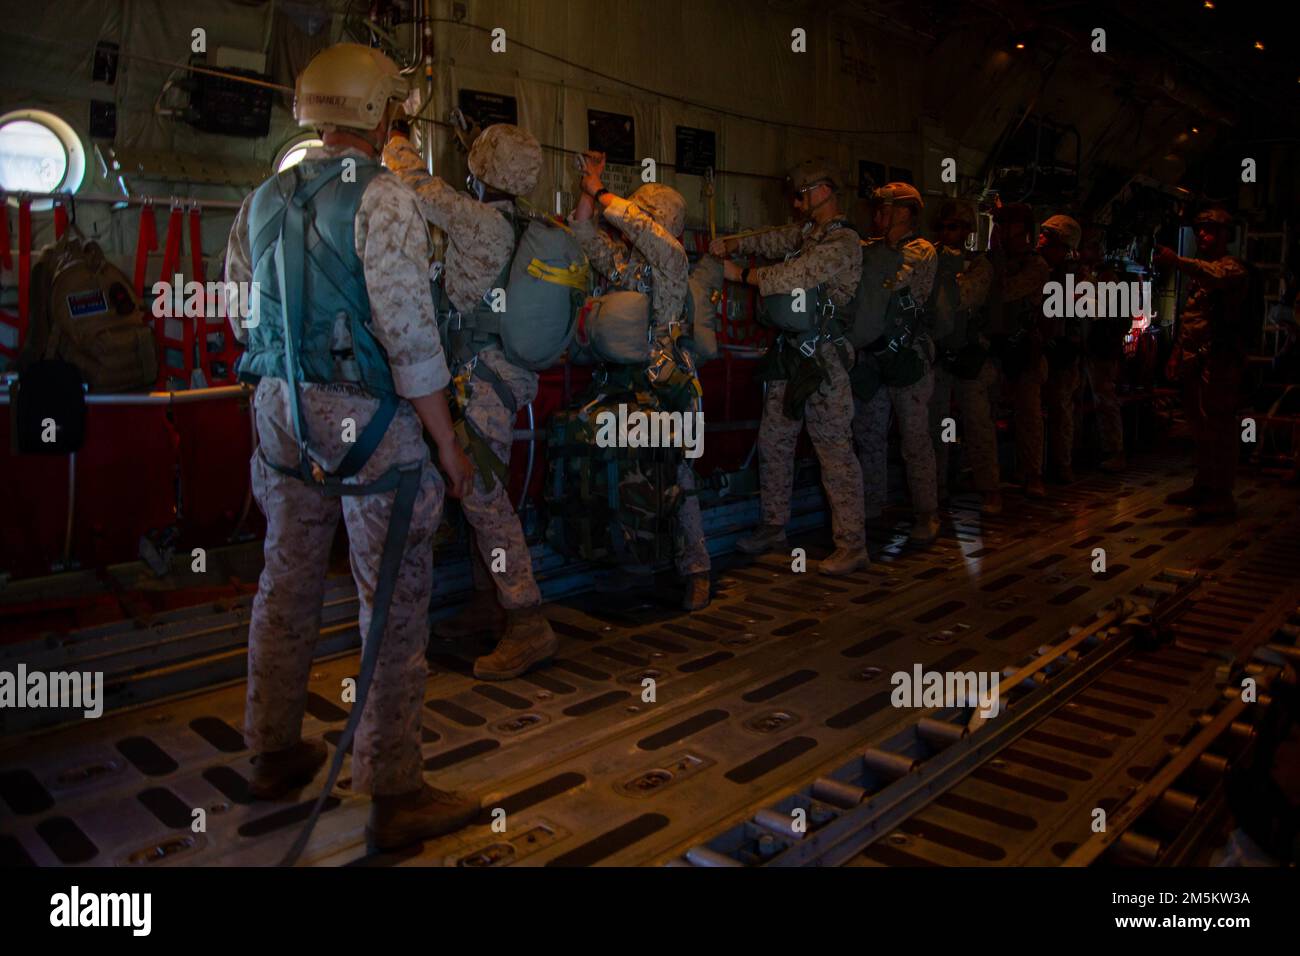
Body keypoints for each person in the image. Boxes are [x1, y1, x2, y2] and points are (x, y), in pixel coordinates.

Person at [225, 43, 477, 850]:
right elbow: (409, 336)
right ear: (378, 114)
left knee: (286, 579)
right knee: (393, 605)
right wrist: (448, 444)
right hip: (366, 417)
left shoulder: (260, 199)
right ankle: (395, 789)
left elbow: (241, 318)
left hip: (278, 413)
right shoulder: (385, 200)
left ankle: (270, 751)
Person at [383, 123, 561, 678]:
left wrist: (393, 138)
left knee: (483, 497)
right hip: (494, 373)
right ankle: (489, 604)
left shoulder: (480, 220)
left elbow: (416, 186)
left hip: (485, 375)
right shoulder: (519, 222)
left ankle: (528, 618)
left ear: (482, 169)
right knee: (480, 495)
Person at [568, 152, 713, 610]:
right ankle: (634, 567)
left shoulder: (671, 258)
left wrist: (599, 188)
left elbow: (640, 228)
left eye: (641, 218)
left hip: (666, 384)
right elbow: (585, 235)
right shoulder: (628, 265)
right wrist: (587, 190)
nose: (630, 226)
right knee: (630, 476)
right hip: (627, 383)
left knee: (677, 477)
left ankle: (696, 570)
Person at [712, 160, 868, 575]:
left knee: (833, 449)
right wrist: (734, 242)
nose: (797, 205)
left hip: (825, 360)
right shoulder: (806, 235)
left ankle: (852, 543)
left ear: (822, 192)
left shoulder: (844, 243)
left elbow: (798, 274)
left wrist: (741, 274)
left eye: (801, 196)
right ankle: (774, 526)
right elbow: (773, 239)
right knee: (775, 441)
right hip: (791, 353)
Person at [853, 182, 941, 543]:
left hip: (908, 358)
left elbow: (892, 285)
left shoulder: (921, 252)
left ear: (905, 213)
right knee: (869, 434)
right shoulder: (871, 250)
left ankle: (927, 513)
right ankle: (873, 504)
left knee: (914, 439)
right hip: (874, 356)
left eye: (885, 210)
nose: (877, 217)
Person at [1155, 208, 1249, 519]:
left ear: (1226, 236)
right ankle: (1204, 485)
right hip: (1196, 360)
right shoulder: (1202, 274)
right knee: (1200, 427)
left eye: (1210, 230)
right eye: (1200, 230)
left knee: (1219, 429)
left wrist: (1177, 262)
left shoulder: (1231, 269)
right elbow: (1192, 318)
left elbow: (1213, 276)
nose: (1202, 236)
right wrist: (1176, 353)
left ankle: (1221, 495)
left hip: (1220, 361)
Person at [929, 200, 1002, 514]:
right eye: (944, 227)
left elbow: (965, 297)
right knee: (937, 425)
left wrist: (943, 282)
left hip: (969, 355)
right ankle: (937, 488)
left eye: (954, 227)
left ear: (968, 230)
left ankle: (990, 490)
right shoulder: (930, 259)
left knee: (978, 425)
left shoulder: (979, 264)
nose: (948, 233)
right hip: (939, 353)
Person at [987, 203, 1051, 497]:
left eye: (1005, 223)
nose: (1000, 228)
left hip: (1025, 347)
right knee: (986, 413)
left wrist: (997, 260)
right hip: (997, 345)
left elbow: (1005, 292)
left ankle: (1033, 473)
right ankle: (990, 473)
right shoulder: (996, 258)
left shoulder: (1035, 265)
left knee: (1028, 415)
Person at [1037, 214, 1084, 483]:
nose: (1042, 243)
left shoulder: (1074, 278)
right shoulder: (1036, 268)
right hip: (1038, 349)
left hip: (1062, 351)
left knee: (1062, 410)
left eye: (1050, 239)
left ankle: (1062, 463)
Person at [1080, 227, 1127, 473]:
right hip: (1094, 346)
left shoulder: (1105, 279)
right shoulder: (1097, 277)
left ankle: (1113, 450)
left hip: (1100, 348)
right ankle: (1100, 448)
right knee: (1100, 399)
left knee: (1104, 399)